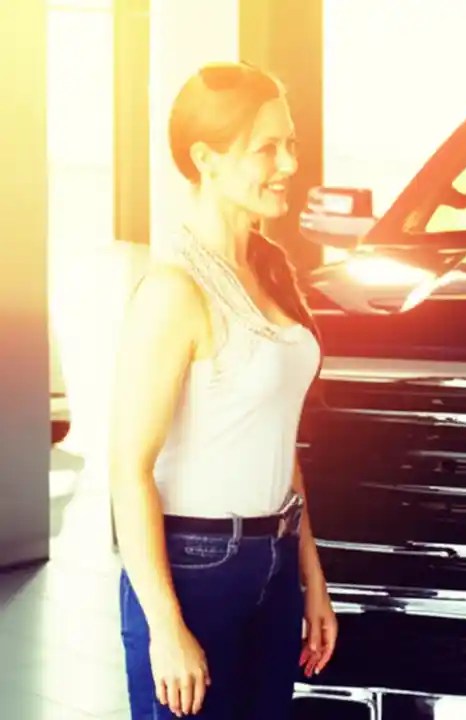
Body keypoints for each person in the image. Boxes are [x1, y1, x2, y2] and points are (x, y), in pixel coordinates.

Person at [108, 62, 337, 719]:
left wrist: (310, 577)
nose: (289, 162)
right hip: (194, 571)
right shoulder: (174, 291)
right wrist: (166, 628)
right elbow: (129, 472)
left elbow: (276, 441)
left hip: (273, 564)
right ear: (205, 158)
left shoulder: (266, 271)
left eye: (290, 143)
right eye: (267, 147)